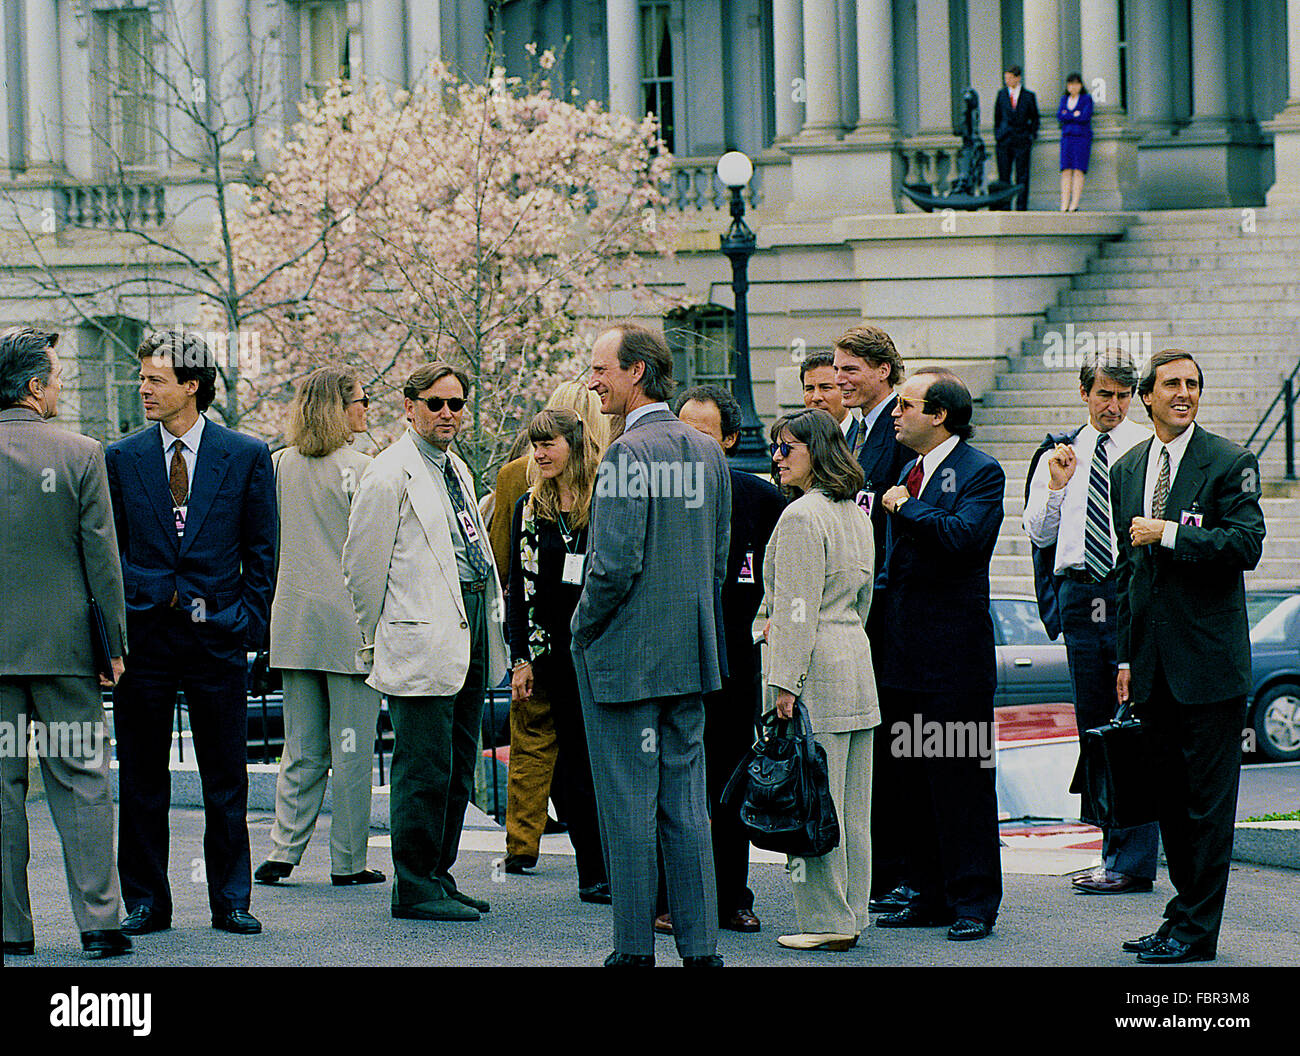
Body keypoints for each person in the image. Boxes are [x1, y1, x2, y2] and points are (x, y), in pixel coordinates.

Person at [571, 323, 731, 967]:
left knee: (627, 810)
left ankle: (634, 951)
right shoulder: (707, 451)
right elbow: (717, 561)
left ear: (637, 371)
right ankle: (701, 950)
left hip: (625, 660)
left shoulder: (626, 455)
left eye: (601, 369)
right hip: (688, 656)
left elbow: (611, 566)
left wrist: (580, 628)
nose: (592, 381)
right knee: (686, 809)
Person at [107, 330, 276, 937]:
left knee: (225, 779)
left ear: (192, 386)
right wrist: (156, 593)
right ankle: (148, 901)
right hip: (146, 641)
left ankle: (231, 900)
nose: (143, 389)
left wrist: (243, 627)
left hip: (217, 639)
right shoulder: (122, 458)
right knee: (142, 777)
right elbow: (109, 553)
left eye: (155, 380)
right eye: (143, 379)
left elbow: (262, 551)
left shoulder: (246, 454)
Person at [1110, 350, 1265, 964]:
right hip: (1151, 668)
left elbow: (1246, 544)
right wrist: (1124, 658)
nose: (1184, 393)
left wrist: (1171, 532)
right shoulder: (1127, 468)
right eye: (1172, 385)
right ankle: (1180, 918)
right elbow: (1128, 575)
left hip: (1209, 668)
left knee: (1207, 808)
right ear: (1146, 396)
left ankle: (1196, 934)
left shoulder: (1229, 461)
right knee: (1171, 804)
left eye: (1193, 385)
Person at [343, 362, 508, 923]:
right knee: (424, 767)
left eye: (456, 405)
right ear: (409, 407)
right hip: (419, 638)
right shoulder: (388, 473)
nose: (447, 414)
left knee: (460, 764)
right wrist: (375, 638)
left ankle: (437, 873)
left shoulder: (455, 467)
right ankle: (413, 885)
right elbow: (362, 569)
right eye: (435, 403)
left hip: (466, 630)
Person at [0, 327, 131, 959]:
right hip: (65, 655)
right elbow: (102, 563)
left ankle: (10, 928)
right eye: (55, 377)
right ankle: (100, 924)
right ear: (33, 386)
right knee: (81, 782)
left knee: (0, 791)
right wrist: (115, 645)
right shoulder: (81, 453)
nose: (60, 388)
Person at [872, 369, 1005, 941]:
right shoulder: (909, 470)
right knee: (912, 780)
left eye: (907, 405)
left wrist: (907, 509)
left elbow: (963, 539)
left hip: (954, 663)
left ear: (940, 414)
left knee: (961, 780)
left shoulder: (981, 471)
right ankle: (927, 893)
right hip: (904, 656)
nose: (897, 414)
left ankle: (973, 899)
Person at [1023, 351, 1159, 895]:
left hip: (1126, 590)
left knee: (1134, 724)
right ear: (1085, 393)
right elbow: (1037, 533)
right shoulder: (1060, 451)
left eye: (1124, 396)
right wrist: (1058, 486)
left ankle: (1133, 859)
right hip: (1080, 592)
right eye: (1105, 394)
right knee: (1095, 726)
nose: (1114, 405)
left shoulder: (1144, 451)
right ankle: (1113, 851)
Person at [658, 383, 784, 935]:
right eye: (681, 431)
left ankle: (733, 895)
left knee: (730, 783)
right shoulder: (654, 492)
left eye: (703, 434)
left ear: (730, 440)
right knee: (673, 783)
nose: (689, 444)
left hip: (735, 660)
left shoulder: (762, 500)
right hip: (671, 658)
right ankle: (668, 897)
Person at [255, 368, 384, 889]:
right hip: (350, 627)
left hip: (293, 623)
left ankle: (283, 851)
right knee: (352, 749)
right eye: (361, 400)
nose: (366, 408)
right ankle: (348, 860)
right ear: (339, 407)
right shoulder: (365, 469)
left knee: (301, 746)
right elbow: (375, 556)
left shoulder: (276, 466)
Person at [764, 408, 879, 951]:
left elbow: (794, 610)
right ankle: (851, 911)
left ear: (817, 452)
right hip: (855, 658)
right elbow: (863, 600)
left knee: (810, 800)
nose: (777, 457)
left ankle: (824, 920)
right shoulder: (856, 512)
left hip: (812, 667)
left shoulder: (802, 516)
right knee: (852, 807)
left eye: (788, 448)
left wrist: (784, 680)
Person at [490, 380, 610, 874]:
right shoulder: (527, 508)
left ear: (573, 447)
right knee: (562, 765)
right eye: (534, 444)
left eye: (548, 444)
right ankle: (591, 870)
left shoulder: (602, 497)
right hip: (547, 653)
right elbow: (517, 589)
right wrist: (519, 657)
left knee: (591, 760)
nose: (538, 454)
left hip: (595, 648)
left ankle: (602, 865)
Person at [830, 324, 912, 916]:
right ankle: (879, 873)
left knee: (894, 746)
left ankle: (901, 872)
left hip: (887, 603)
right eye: (836, 370)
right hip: (854, 602)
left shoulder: (900, 428)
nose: (840, 380)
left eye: (851, 370)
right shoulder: (852, 430)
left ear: (884, 370)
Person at [994, 64, 1039, 210]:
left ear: (1018, 78)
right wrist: (998, 135)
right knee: (1004, 176)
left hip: (1022, 140)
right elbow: (997, 117)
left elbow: (1035, 118)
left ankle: (1021, 207)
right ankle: (1004, 206)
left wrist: (1030, 134)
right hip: (1004, 141)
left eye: (1010, 78)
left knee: (1022, 175)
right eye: (1005, 78)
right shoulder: (1001, 95)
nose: (1007, 81)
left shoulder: (1028, 96)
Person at [1057, 73, 1094, 212]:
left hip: (1081, 137)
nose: (1073, 87)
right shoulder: (1064, 99)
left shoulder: (1086, 99)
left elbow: (1084, 116)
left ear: (1081, 85)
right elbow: (1060, 115)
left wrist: (1069, 115)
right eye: (1070, 84)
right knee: (1066, 170)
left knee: (1079, 169)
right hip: (1067, 137)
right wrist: (1074, 115)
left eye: (1076, 84)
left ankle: (1075, 203)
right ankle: (1064, 202)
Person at [800, 352, 849, 431]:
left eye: (826, 388)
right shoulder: (796, 440)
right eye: (810, 389)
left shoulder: (865, 439)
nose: (816, 397)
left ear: (846, 391)